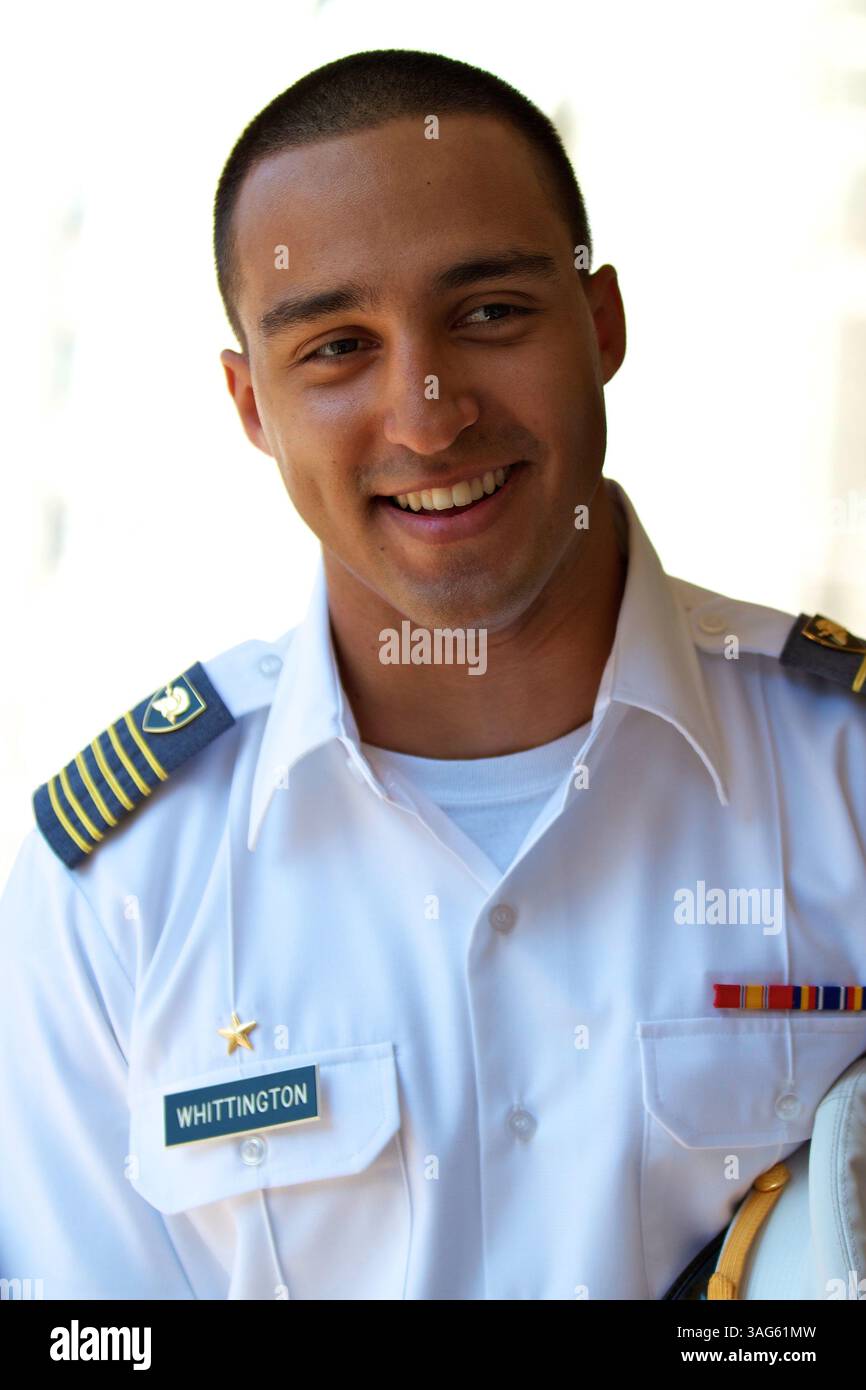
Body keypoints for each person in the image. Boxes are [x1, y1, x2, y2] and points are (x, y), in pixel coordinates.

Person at [1, 47, 864, 1302]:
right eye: (337, 347)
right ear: (251, 405)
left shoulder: (841, 779)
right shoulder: (118, 893)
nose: (426, 412)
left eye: (489, 314)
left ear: (602, 324)